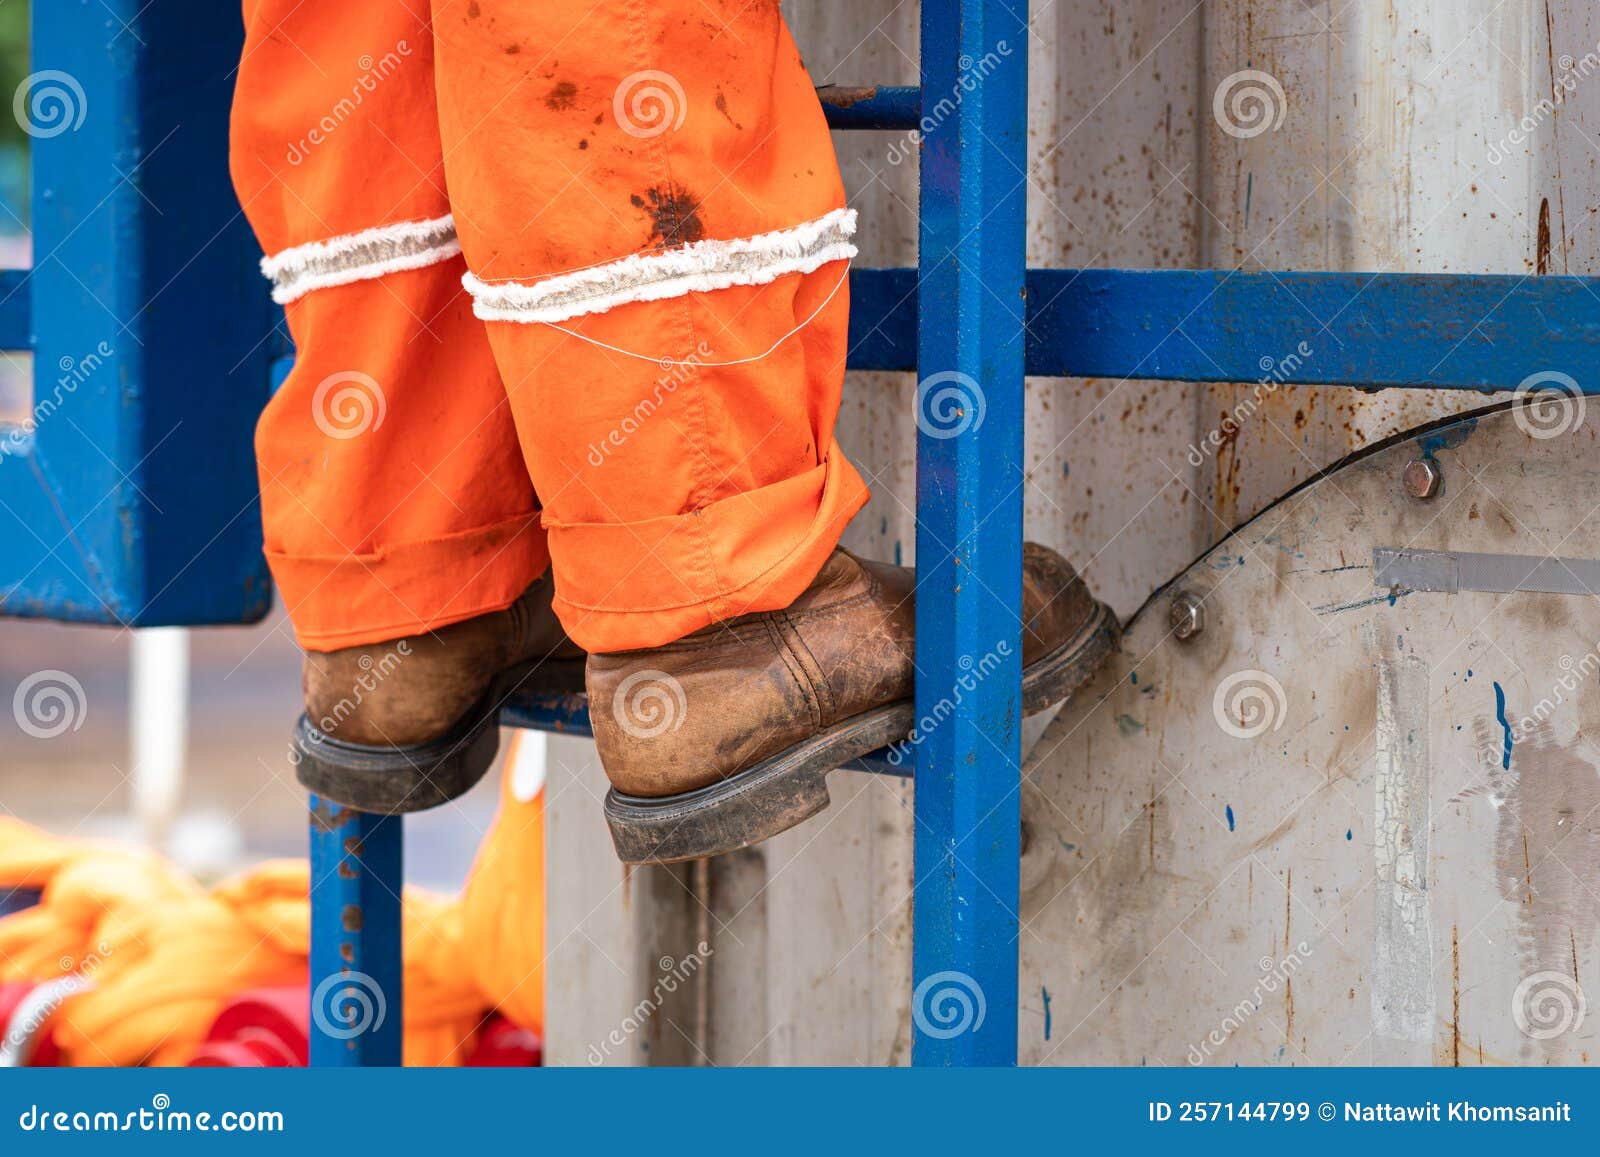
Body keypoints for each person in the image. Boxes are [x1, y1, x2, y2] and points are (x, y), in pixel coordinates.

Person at [229, 0, 1115, 862]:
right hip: (708, 570)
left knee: (356, 30)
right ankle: (709, 598)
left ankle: (414, 597)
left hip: (364, 568)